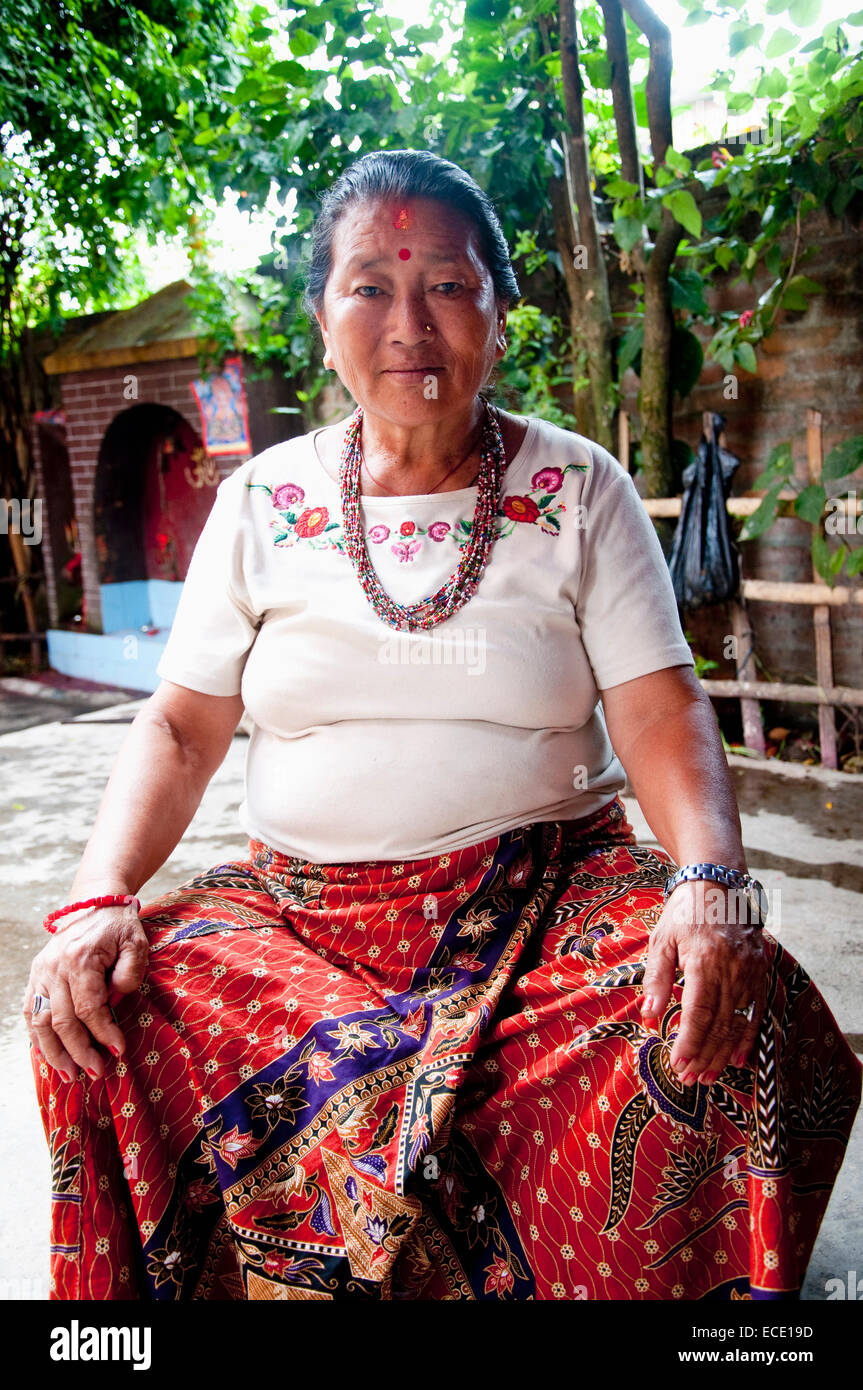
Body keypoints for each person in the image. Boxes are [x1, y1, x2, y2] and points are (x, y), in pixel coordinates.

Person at [25, 150, 860, 1302]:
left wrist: (707, 878)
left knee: (731, 998)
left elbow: (660, 707)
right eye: (369, 285)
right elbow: (177, 726)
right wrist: (98, 893)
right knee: (97, 1002)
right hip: (300, 911)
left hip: (548, 892)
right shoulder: (261, 502)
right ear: (323, 323)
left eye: (449, 286)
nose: (408, 323)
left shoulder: (578, 489)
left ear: (500, 316)